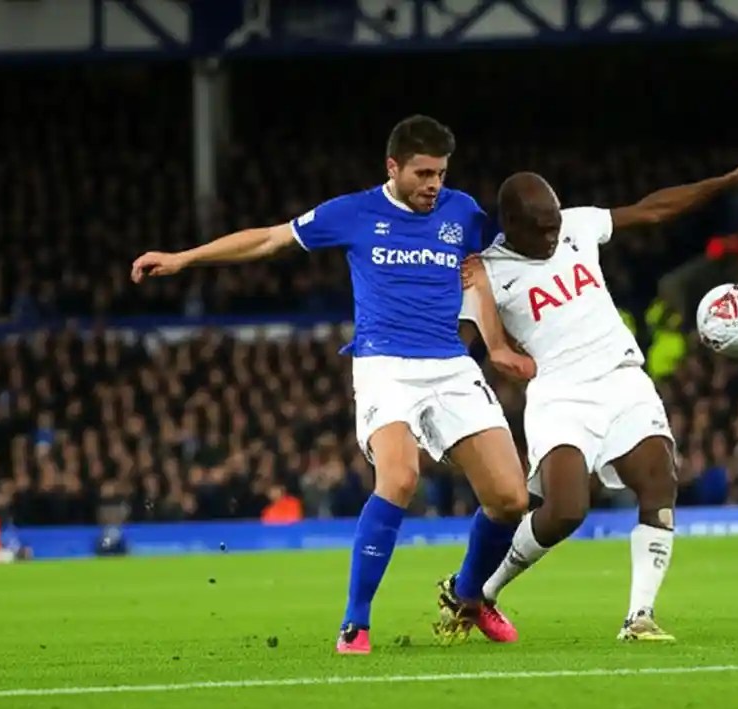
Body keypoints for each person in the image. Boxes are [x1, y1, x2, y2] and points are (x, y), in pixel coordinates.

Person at [130, 115, 534, 655]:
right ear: (393, 167)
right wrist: (185, 258)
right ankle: (356, 623)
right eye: (422, 174)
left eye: (440, 172)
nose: (434, 185)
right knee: (399, 478)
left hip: (451, 365)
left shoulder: (462, 213)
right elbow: (270, 240)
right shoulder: (354, 212)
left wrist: (500, 343)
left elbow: (491, 266)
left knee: (509, 499)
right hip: (383, 366)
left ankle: (467, 595)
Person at [435, 149, 738, 642]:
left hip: (623, 380)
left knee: (660, 484)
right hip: (561, 394)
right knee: (565, 511)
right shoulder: (486, 272)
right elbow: (460, 344)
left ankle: (638, 617)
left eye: (555, 222)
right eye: (540, 228)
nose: (553, 235)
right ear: (510, 224)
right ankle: (477, 592)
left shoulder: (577, 226)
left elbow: (653, 209)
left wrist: (729, 179)